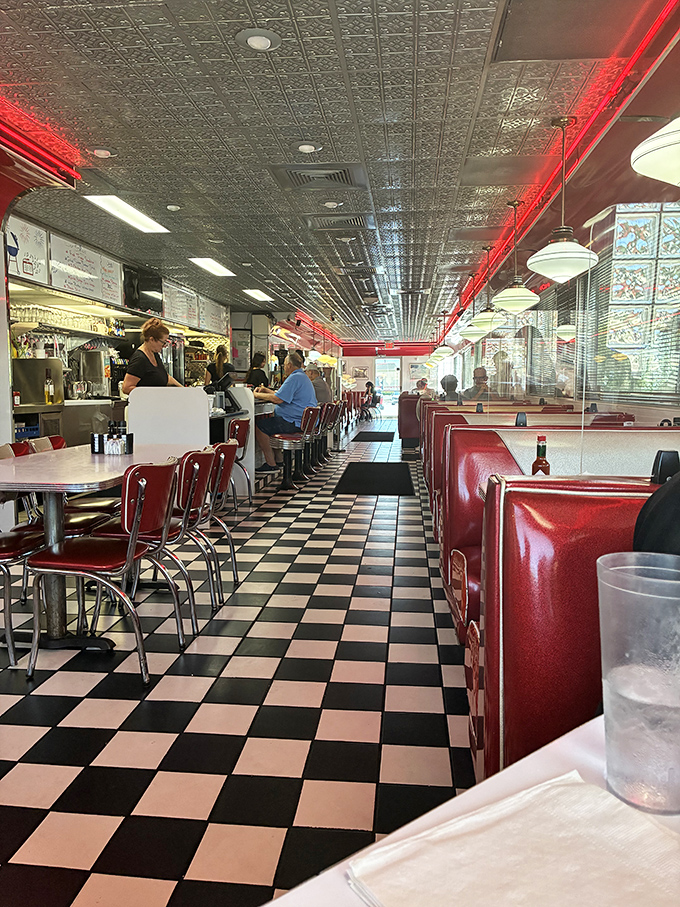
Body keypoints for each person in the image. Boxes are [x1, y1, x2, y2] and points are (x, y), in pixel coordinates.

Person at [253, 352, 317, 472]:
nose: (284, 367)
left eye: (284, 365)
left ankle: (271, 464)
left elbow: (278, 399)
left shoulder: (294, 377)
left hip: (294, 422)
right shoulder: (302, 376)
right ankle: (279, 460)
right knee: (273, 423)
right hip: (302, 421)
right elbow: (282, 395)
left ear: (288, 365)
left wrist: (255, 394)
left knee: (260, 427)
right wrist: (266, 390)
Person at [122, 318, 183, 394]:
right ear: (152, 339)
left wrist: (183, 389)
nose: (164, 346)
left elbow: (164, 376)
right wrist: (152, 394)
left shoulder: (154, 355)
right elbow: (126, 388)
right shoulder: (140, 359)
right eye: (163, 343)